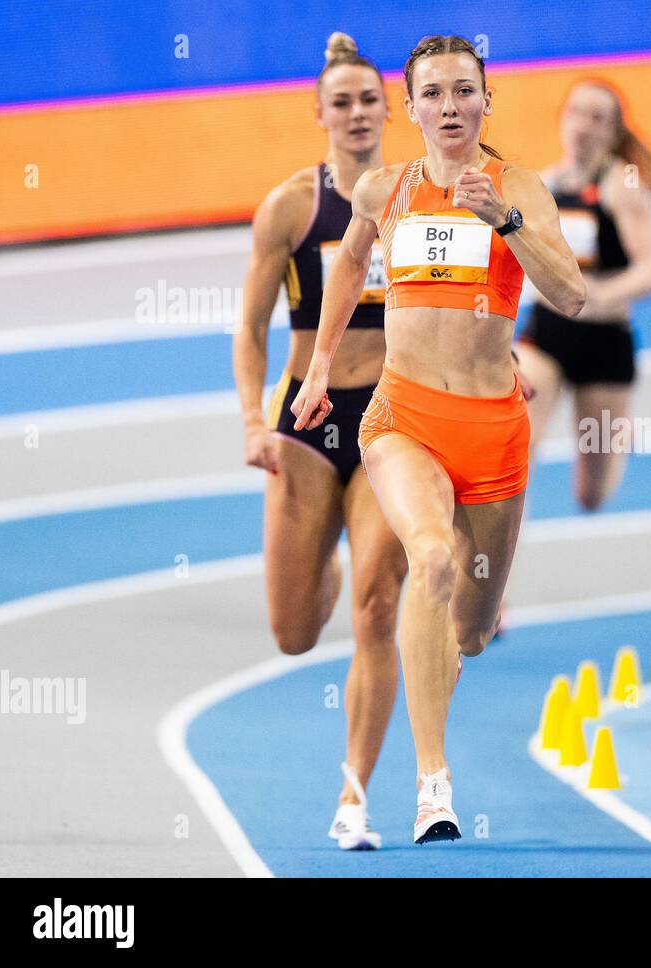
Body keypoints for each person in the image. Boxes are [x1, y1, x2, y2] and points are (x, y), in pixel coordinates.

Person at [290, 34, 584, 844]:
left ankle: (453, 654)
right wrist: (319, 372)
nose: (450, 108)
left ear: (487, 100)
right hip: (404, 416)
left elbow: (573, 295)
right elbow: (349, 269)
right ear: (409, 107)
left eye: (465, 92)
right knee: (431, 560)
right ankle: (432, 785)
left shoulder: (518, 186)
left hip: (493, 429)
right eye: (434, 94)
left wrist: (511, 222)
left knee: (473, 630)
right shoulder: (384, 190)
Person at [233, 32, 405, 850]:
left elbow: (461, 305)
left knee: (380, 610)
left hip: (388, 421)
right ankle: (324, 557)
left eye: (370, 98)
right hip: (304, 426)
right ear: (320, 115)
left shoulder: (417, 199)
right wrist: (248, 421)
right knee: (294, 633)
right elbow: (250, 328)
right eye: (342, 101)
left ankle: (354, 797)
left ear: (387, 106)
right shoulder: (290, 209)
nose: (358, 112)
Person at [515, 79, 651, 512]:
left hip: (604, 344)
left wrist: (597, 294)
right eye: (576, 113)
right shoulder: (542, 185)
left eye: (597, 118)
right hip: (547, 334)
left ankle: (619, 434)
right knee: (516, 442)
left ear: (613, 132)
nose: (583, 126)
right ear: (563, 120)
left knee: (590, 497)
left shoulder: (620, 186)